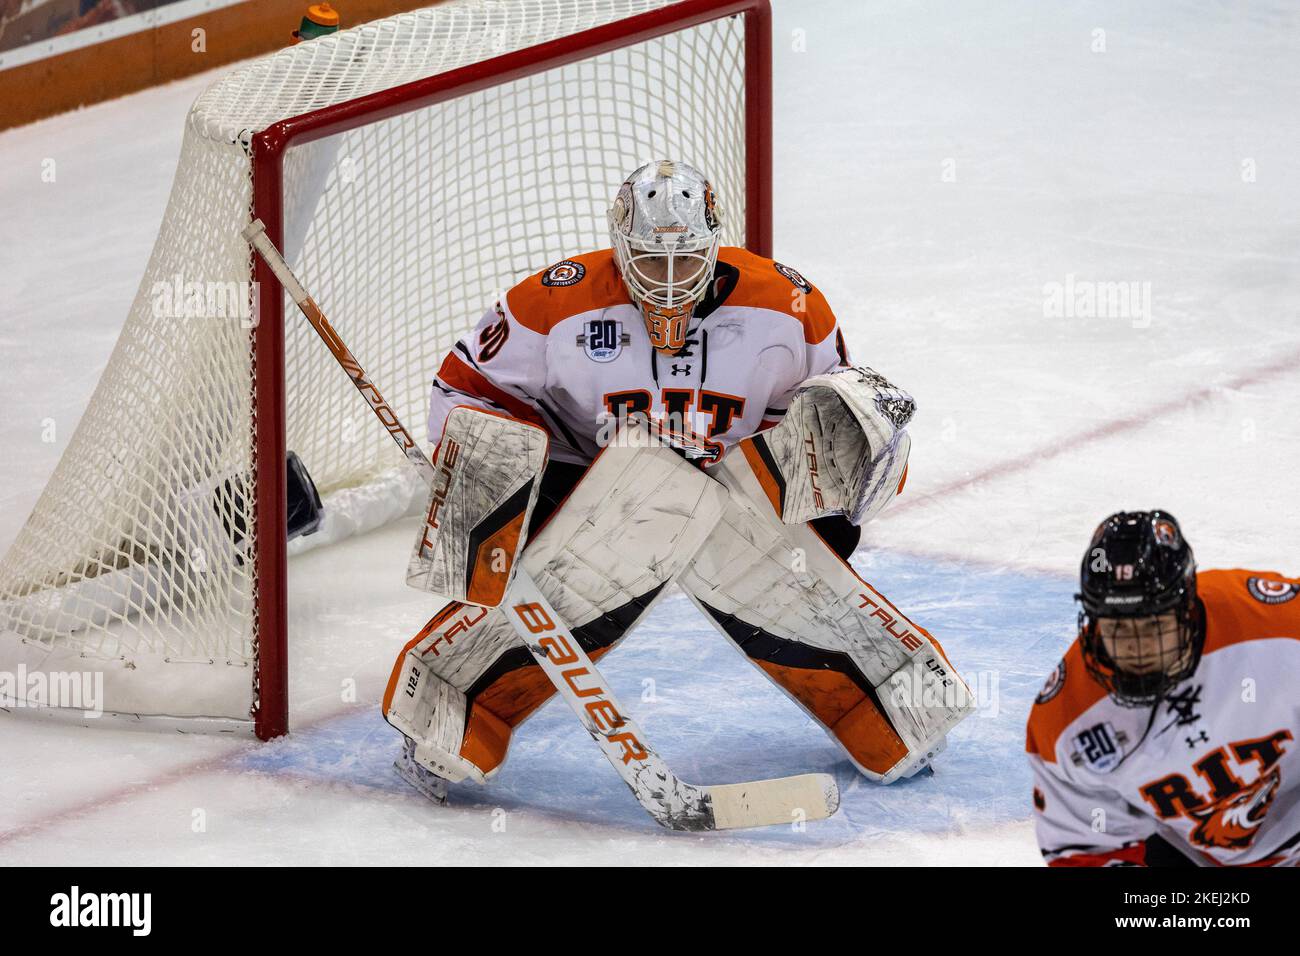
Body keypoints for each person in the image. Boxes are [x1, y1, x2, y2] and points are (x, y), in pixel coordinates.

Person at [384, 160, 971, 807]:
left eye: (685, 260)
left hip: (737, 491)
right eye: (649, 260)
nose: (667, 281)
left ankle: (891, 706)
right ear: (619, 244)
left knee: (760, 554)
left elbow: (831, 415)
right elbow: (468, 391)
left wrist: (855, 463)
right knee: (606, 547)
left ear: (714, 242)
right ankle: (450, 709)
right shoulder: (554, 304)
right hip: (596, 491)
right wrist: (488, 485)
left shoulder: (785, 306)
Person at [1027, 510, 1300, 865]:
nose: (1135, 649)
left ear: (1186, 607)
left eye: (1153, 625)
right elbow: (1088, 851)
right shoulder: (1066, 724)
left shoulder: (1278, 630)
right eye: (1117, 629)